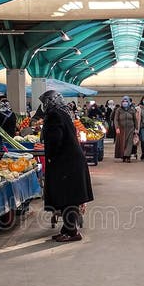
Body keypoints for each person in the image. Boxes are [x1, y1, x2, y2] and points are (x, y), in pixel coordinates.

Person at [40, 89, 93, 242]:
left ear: (51, 101)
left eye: (45, 101)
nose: (44, 105)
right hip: (71, 160)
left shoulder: (54, 115)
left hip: (65, 162)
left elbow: (56, 139)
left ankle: (72, 232)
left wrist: (51, 157)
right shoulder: (64, 112)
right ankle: (67, 229)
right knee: (69, 196)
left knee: (66, 197)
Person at [114, 96, 138, 162]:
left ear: (129, 102)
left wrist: (136, 128)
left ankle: (128, 156)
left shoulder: (132, 110)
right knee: (123, 143)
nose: (125, 103)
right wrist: (117, 128)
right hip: (121, 129)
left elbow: (135, 120)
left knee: (129, 143)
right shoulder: (119, 110)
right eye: (123, 101)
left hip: (131, 129)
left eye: (126, 101)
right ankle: (123, 156)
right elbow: (116, 119)